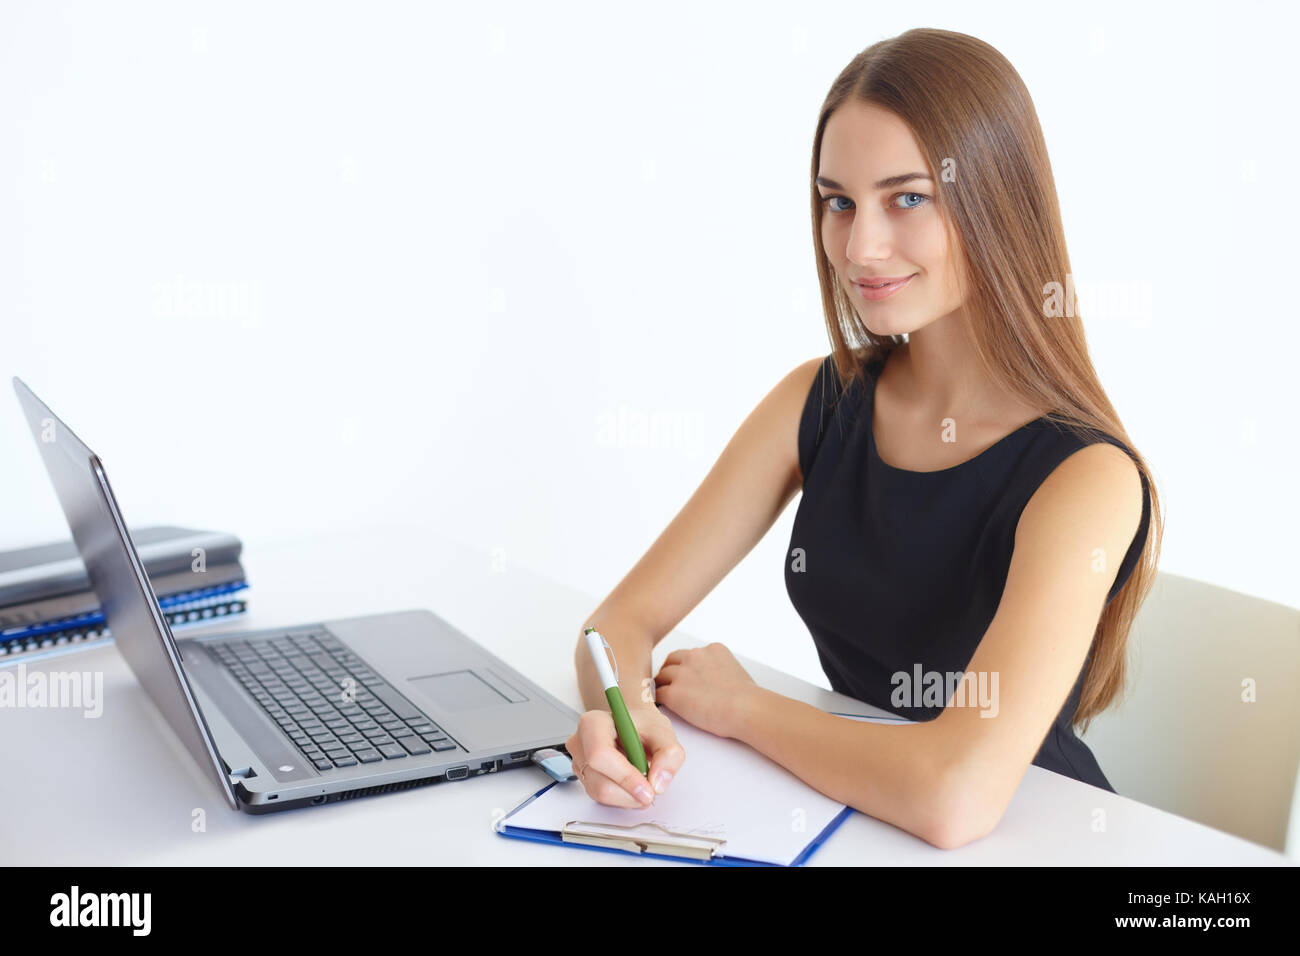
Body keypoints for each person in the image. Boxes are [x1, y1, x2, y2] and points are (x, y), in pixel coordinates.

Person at [567, 27, 1161, 850]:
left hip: (1032, 844)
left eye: (906, 197)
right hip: (853, 828)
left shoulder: (1087, 478)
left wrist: (745, 709)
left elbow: (955, 798)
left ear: (997, 200)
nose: (859, 246)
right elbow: (615, 628)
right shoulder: (821, 400)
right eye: (839, 201)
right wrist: (616, 718)